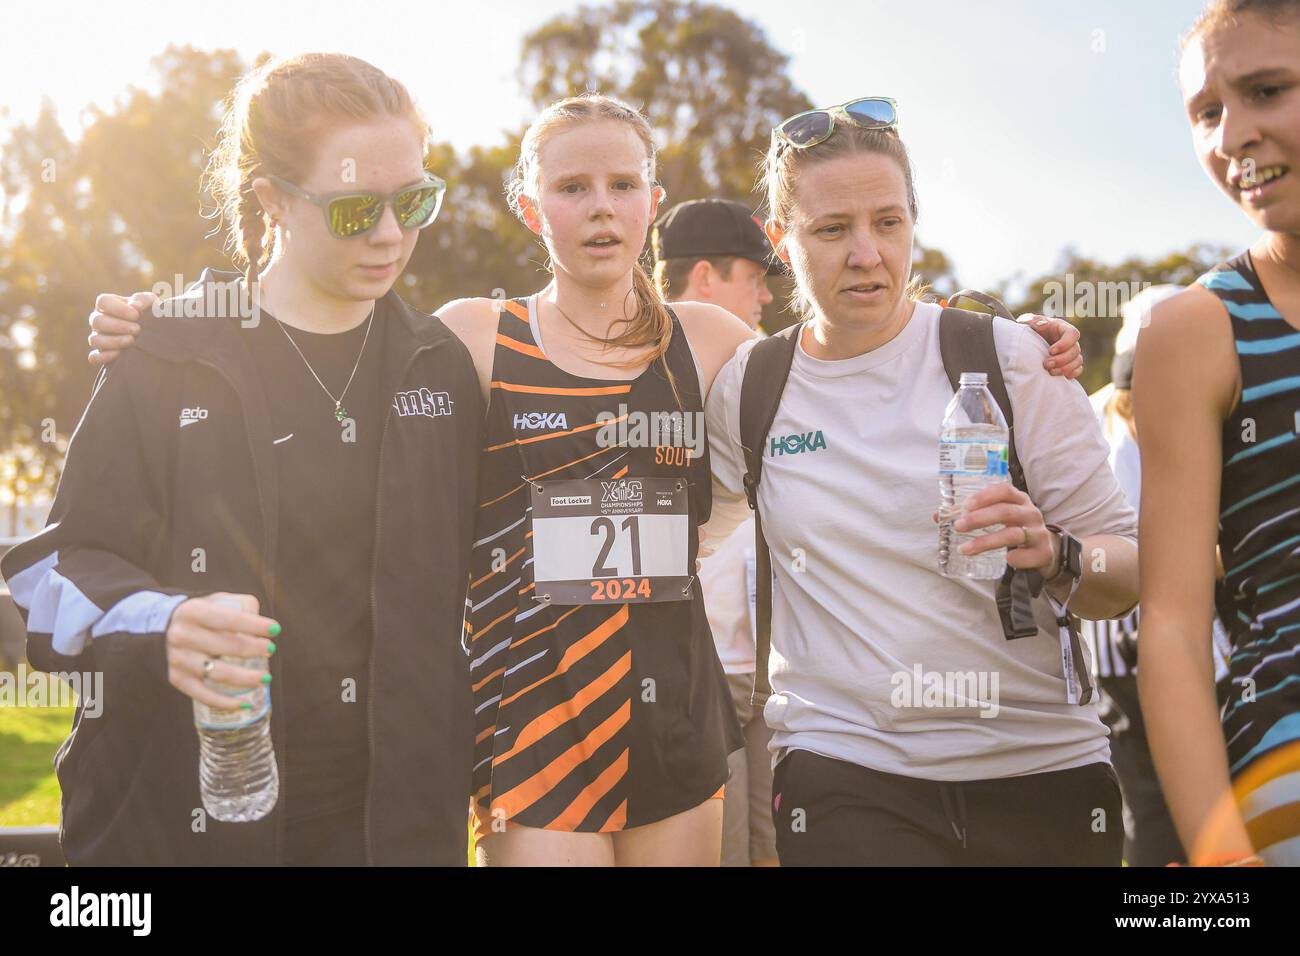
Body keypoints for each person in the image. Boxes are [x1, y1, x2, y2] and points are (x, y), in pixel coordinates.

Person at [85, 92, 1083, 867]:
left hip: (676, 715)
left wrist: (999, 333)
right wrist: (174, 321)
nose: (598, 207)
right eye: (571, 187)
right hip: (532, 713)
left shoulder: (711, 339)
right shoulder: (475, 337)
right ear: (530, 205)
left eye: (621, 184)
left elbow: (849, 358)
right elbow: (324, 345)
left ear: (654, 200)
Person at [2, 53, 482, 865]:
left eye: (415, 201)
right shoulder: (164, 354)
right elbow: (49, 575)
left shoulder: (442, 365)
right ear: (274, 201)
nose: (391, 234)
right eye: (356, 208)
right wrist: (163, 624)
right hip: (179, 825)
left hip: (392, 834)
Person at [706, 96, 1139, 866]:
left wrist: (1057, 552)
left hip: (1040, 763)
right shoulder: (751, 386)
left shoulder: (1010, 360)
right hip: (843, 766)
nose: (866, 253)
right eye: (831, 229)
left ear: (914, 221)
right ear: (781, 239)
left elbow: (1128, 572)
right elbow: (686, 534)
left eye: (888, 223)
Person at [1135, 0, 1300, 867]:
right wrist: (1222, 867)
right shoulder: (1196, 331)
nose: (1231, 134)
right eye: (1206, 112)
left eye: (1267, 90)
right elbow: (1169, 627)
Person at [652, 198, 778, 867]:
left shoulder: (761, 370)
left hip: (777, 668)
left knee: (780, 848)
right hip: (700, 676)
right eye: (753, 278)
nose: (764, 296)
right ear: (705, 278)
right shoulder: (643, 371)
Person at [1082, 285, 1195, 866]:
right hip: (1141, 644)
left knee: (1151, 808)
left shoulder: (1095, 409)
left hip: (1117, 649)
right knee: (1160, 810)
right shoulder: (1140, 416)